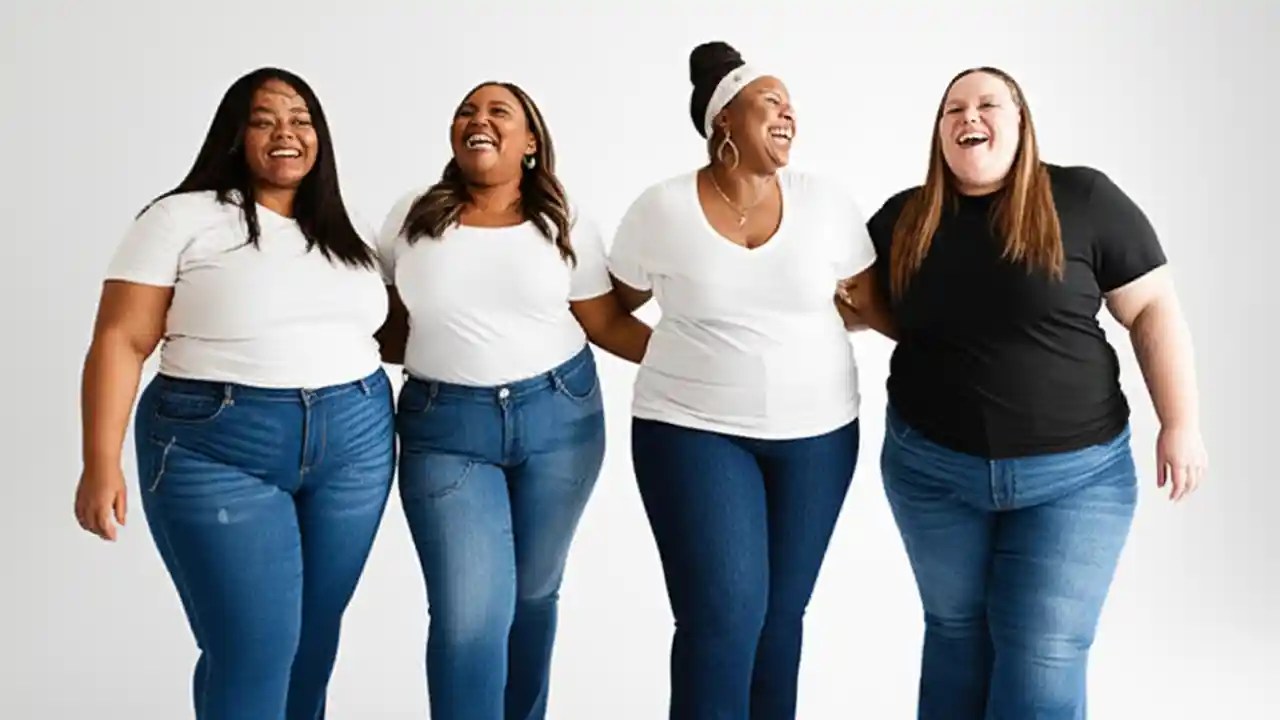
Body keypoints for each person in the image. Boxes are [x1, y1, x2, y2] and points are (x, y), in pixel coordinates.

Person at [843, 66, 1209, 719]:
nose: (967, 117)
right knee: (956, 638)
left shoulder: (1084, 199)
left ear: (1021, 122)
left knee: (1042, 659)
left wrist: (1180, 422)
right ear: (939, 132)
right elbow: (847, 303)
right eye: (952, 108)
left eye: (987, 103)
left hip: (1076, 478)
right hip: (932, 473)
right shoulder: (905, 217)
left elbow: (1152, 306)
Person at [72, 68, 395, 720]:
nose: (286, 133)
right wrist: (99, 462)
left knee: (311, 645)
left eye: (301, 119)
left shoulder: (345, 226)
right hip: (218, 444)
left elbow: (389, 330)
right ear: (234, 134)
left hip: (355, 441)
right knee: (253, 650)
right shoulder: (181, 217)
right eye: (264, 119)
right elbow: (120, 340)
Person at [606, 42, 880, 719]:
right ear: (723, 118)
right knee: (724, 616)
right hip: (691, 433)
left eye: (791, 105)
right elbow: (610, 312)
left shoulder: (826, 203)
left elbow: (868, 306)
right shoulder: (662, 208)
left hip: (819, 437)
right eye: (770, 100)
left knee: (781, 620)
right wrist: (686, 357)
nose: (788, 113)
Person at [374, 80, 650, 720]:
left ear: (530, 142)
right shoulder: (413, 216)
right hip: (446, 430)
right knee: (470, 613)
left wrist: (694, 357)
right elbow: (381, 322)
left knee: (531, 597)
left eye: (500, 111)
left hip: (561, 419)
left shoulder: (564, 218)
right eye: (467, 110)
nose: (480, 119)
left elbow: (604, 322)